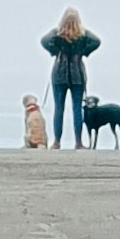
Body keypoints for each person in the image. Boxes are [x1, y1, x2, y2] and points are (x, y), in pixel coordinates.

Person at [42, 8, 99, 146]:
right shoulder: (83, 34)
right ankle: (78, 142)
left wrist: (55, 51)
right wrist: (83, 52)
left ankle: (57, 142)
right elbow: (96, 41)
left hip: (59, 74)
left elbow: (44, 41)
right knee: (77, 108)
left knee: (59, 109)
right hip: (77, 74)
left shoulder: (57, 34)